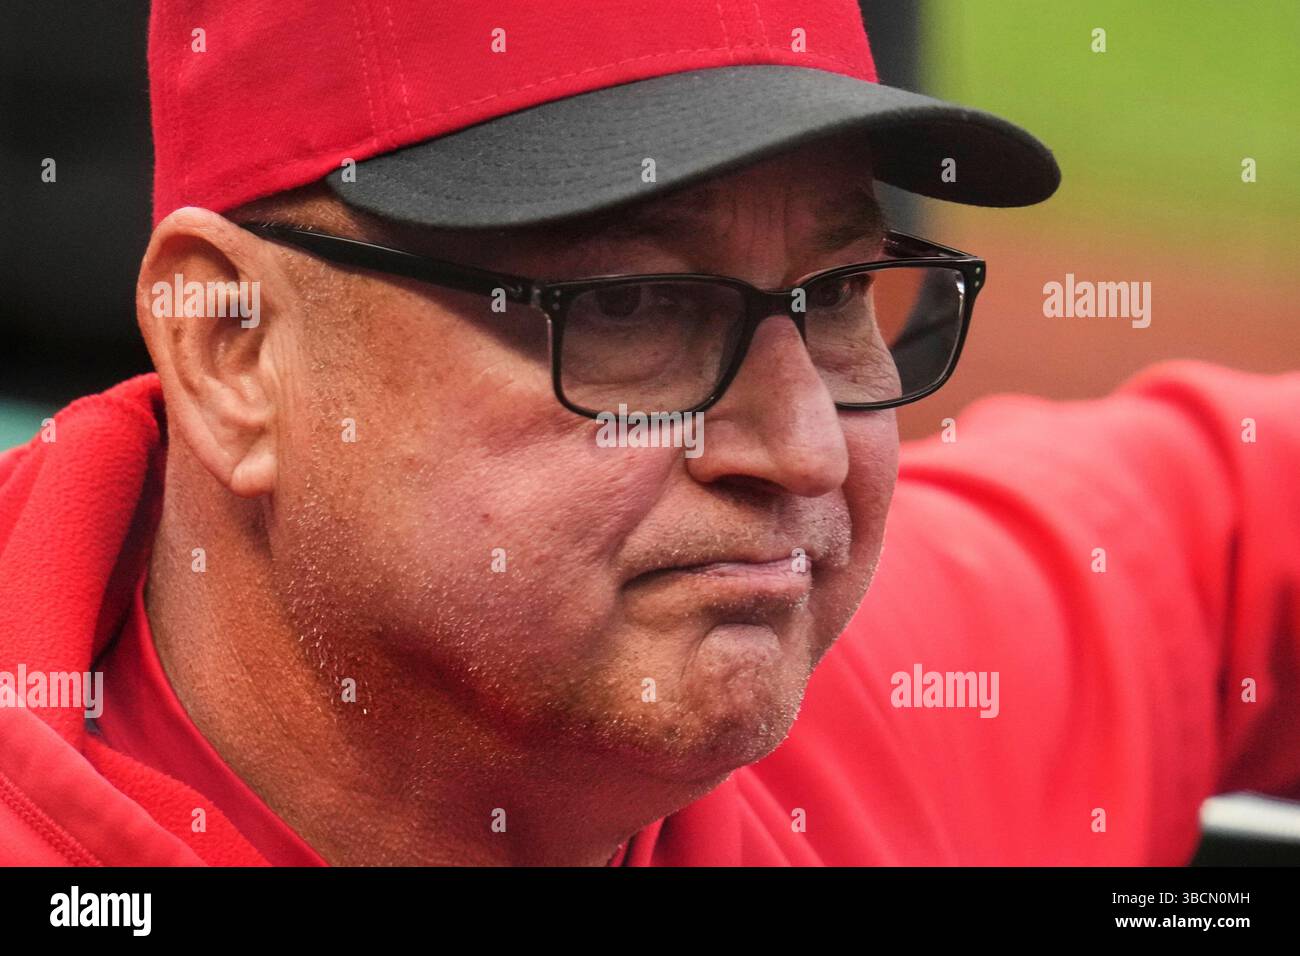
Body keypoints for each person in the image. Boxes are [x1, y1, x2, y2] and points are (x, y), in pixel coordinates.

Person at [0, 0, 1296, 866]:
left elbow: (1230, 524)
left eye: (837, 290)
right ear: (235, 345)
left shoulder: (881, 704)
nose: (801, 452)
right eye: (627, 307)